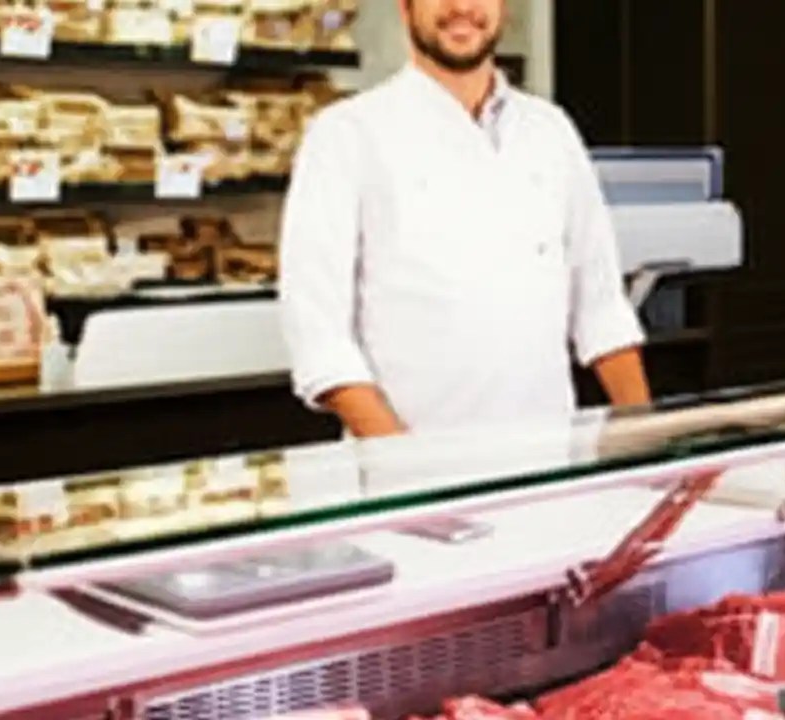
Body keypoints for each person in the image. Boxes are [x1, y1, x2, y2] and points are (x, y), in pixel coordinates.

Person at [279, 0, 651, 438]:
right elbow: (319, 338)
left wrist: (648, 442)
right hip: (411, 478)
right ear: (405, 8)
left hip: (548, 471)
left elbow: (601, 308)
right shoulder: (346, 134)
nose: (463, 8)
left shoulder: (550, 131)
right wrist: (401, 463)